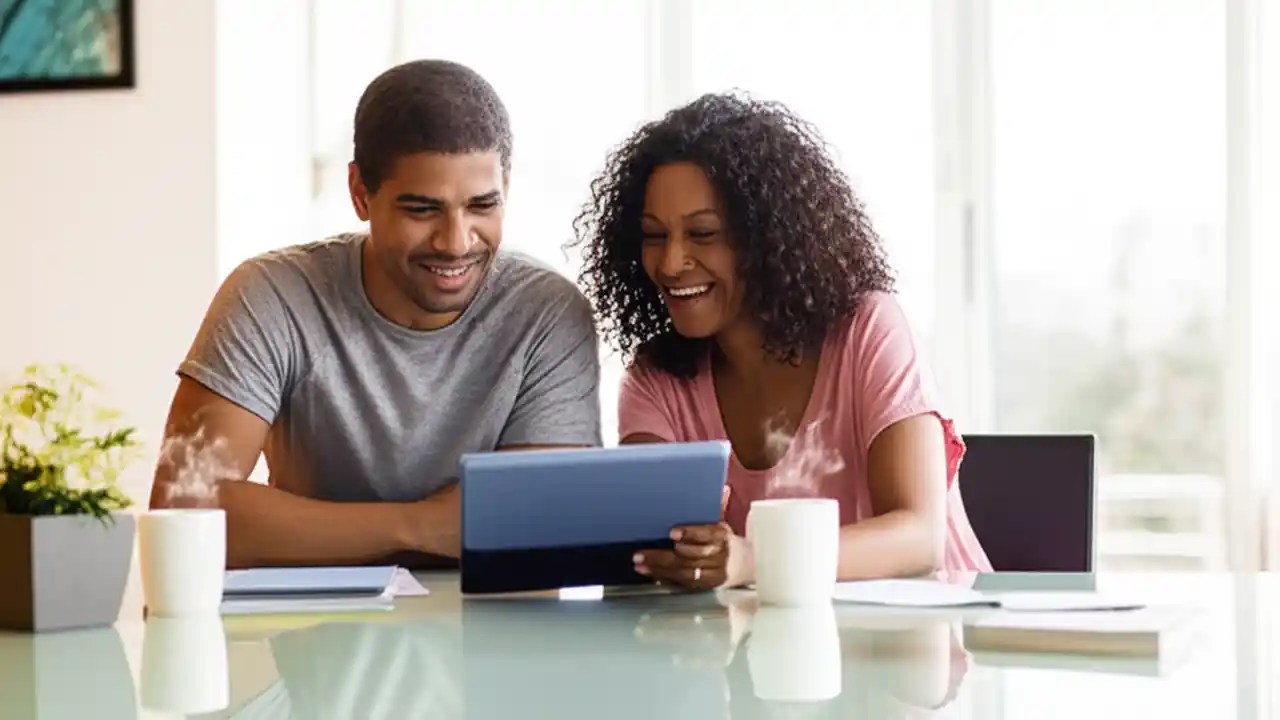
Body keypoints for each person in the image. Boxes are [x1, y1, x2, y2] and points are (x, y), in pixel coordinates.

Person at [150, 60, 601, 568]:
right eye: (421, 210)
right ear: (361, 193)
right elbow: (184, 511)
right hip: (313, 634)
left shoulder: (546, 313)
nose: (456, 243)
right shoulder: (270, 295)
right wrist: (424, 525)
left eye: (481, 205)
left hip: (495, 633)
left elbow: (537, 527)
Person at [574, 92, 991, 589]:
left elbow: (919, 539)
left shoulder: (868, 330)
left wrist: (753, 561)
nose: (669, 263)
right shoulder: (656, 381)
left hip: (932, 646)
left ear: (766, 237)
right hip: (773, 653)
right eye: (654, 235)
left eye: (703, 234)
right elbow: (645, 558)